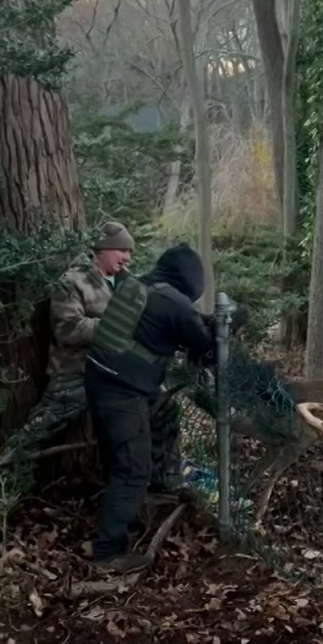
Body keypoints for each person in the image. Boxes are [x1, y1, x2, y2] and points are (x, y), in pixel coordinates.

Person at [82, 243, 221, 574]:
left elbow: (170, 321)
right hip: (122, 392)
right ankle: (108, 553)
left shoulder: (139, 285)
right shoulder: (175, 303)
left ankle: (162, 482)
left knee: (164, 414)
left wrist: (204, 322)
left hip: (102, 380)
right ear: (191, 282)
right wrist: (226, 327)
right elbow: (208, 352)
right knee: (131, 468)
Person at [0, 221, 135, 468]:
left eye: (130, 252)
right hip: (76, 373)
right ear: (102, 249)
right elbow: (68, 329)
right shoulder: (74, 281)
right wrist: (117, 327)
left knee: (149, 417)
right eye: (122, 250)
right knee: (36, 432)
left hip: (114, 374)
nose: (127, 258)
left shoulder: (128, 284)